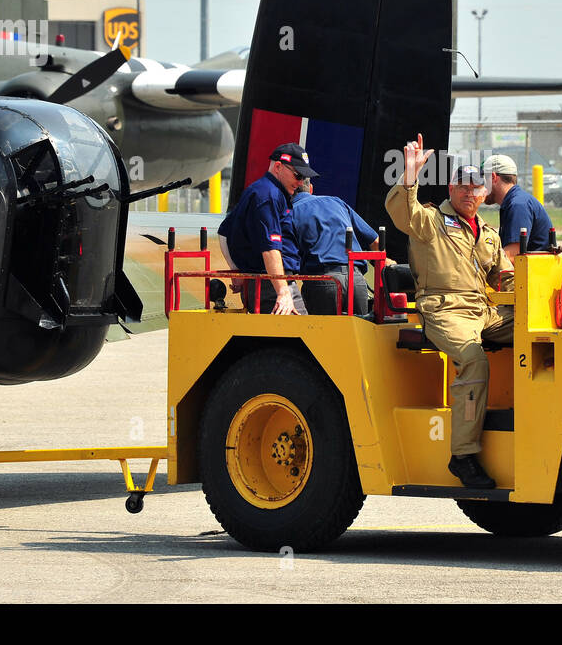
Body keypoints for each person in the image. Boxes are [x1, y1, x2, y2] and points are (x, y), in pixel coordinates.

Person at [385, 135, 513, 490]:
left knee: (540, 333)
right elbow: (402, 213)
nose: (469, 194)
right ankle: (463, 455)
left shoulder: (487, 234)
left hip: (483, 310)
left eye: (476, 188)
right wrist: (409, 175)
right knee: (474, 360)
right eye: (462, 187)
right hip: (444, 308)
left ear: (485, 194)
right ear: (450, 188)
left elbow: (504, 276)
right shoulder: (431, 222)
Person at [217, 142, 315, 314]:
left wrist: (237, 270)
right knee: (301, 334)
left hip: (266, 283)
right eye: (298, 176)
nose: (300, 183)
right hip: (270, 286)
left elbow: (224, 231)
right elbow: (270, 249)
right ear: (278, 167)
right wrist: (283, 292)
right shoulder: (268, 196)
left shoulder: (261, 190)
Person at [291, 179, 384, 315]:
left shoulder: (290, 212)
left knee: (324, 335)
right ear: (311, 189)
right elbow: (376, 242)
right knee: (358, 335)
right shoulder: (337, 202)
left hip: (323, 283)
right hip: (356, 280)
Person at [483, 153, 551, 258]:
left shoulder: (518, 205)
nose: (480, 186)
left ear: (493, 177)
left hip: (534, 273)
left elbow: (511, 256)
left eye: (482, 180)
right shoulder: (513, 202)